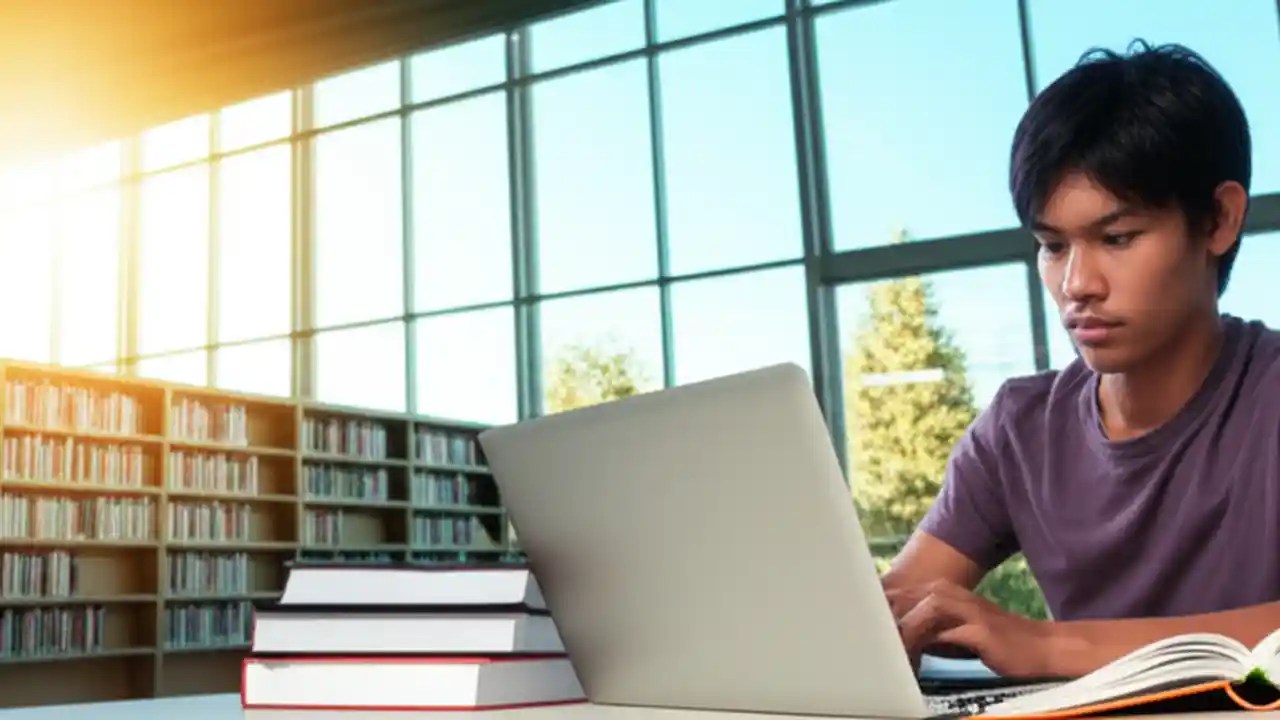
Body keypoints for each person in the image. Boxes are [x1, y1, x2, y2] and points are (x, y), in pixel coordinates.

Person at [882, 40, 1280, 680]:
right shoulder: (1020, 426)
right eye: (1051, 245)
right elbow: (898, 606)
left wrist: (1051, 646)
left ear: (1220, 220)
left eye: (1116, 238)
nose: (1076, 284)